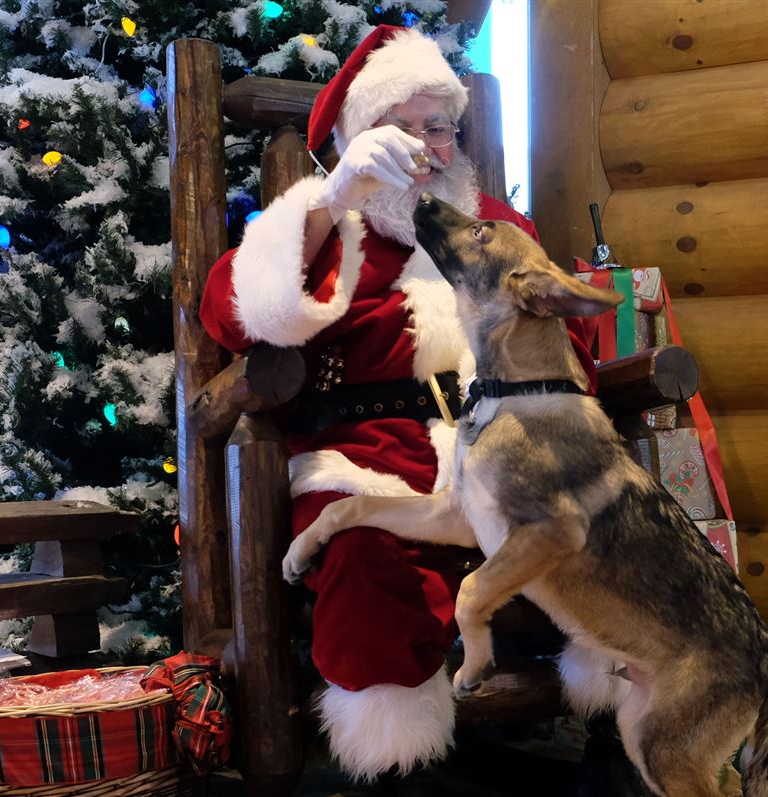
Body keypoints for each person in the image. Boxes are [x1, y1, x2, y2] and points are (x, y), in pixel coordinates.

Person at [201, 25, 598, 785]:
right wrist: (333, 199)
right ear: (356, 141)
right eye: (399, 127)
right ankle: (398, 769)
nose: (424, 146)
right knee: (366, 566)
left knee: (613, 539)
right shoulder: (329, 224)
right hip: (370, 459)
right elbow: (229, 310)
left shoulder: (496, 228)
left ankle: (623, 742)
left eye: (438, 127)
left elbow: (564, 344)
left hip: (503, 452)